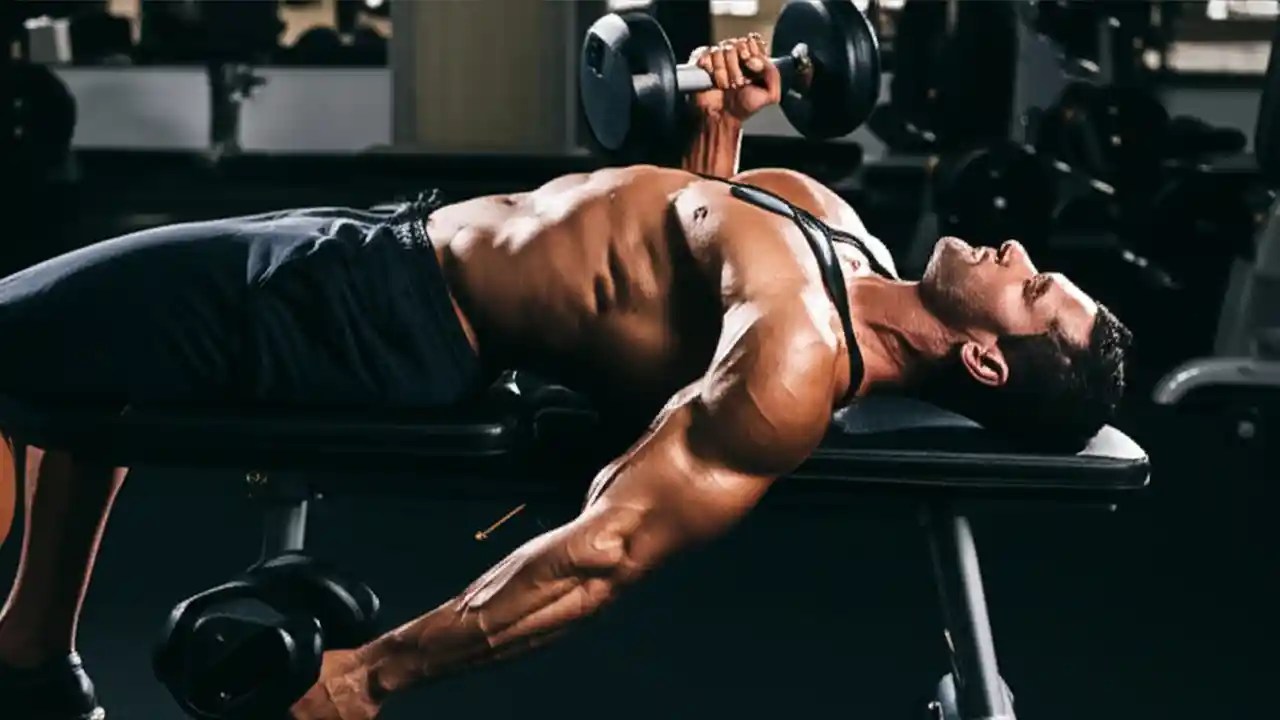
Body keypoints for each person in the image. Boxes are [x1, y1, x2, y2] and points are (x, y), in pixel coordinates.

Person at [0, 35, 1131, 720]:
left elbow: (609, 547)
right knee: (90, 371)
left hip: (375, 314)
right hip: (380, 246)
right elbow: (671, 279)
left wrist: (369, 679)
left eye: (1034, 292)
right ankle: (33, 660)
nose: (1019, 257)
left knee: (12, 336)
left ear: (982, 357)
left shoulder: (796, 359)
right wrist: (719, 129)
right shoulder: (845, 239)